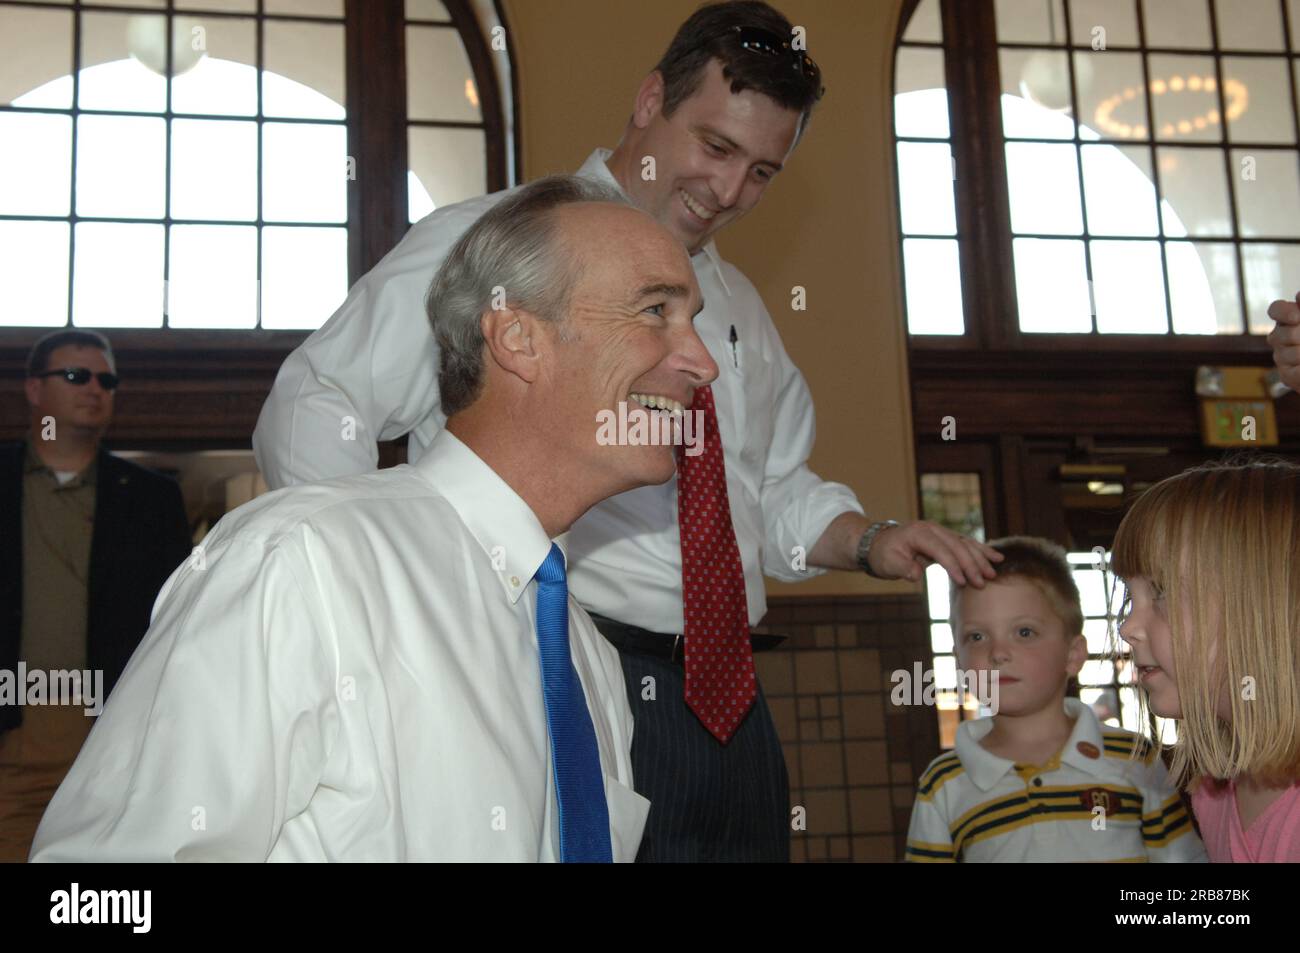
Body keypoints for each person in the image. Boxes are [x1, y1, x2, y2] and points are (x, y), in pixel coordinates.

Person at [253, 0, 1001, 862]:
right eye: (715, 147)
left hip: (734, 701)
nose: (728, 192)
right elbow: (321, 397)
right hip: (567, 666)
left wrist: (872, 540)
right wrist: (375, 599)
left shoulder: (743, 308)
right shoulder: (495, 242)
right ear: (650, 101)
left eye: (762, 172)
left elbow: (772, 492)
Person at [30, 174, 712, 862]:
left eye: (695, 322)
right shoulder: (301, 565)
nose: (704, 362)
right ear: (518, 337)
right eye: (656, 311)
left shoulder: (589, 663)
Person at [0, 330, 191, 863]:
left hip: (109, 733)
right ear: (35, 389)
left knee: (96, 892)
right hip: (13, 722)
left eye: (107, 379)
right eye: (75, 376)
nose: (94, 388)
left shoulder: (152, 498)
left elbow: (175, 623)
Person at [905, 537, 1205, 862]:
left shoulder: (1134, 759)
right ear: (958, 660)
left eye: (1024, 632)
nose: (998, 653)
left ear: (1073, 655)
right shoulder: (944, 783)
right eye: (976, 636)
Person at [1113, 457, 1300, 863]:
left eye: (1160, 591)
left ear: (1261, 605)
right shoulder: (1214, 789)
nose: (1128, 627)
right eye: (1130, 597)